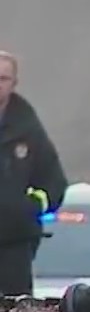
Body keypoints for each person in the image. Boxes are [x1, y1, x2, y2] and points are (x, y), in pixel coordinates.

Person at [0, 51, 67, 295]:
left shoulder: (27, 129)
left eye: (3, 78)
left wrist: (31, 207)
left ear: (13, 84)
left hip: (14, 246)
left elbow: (55, 182)